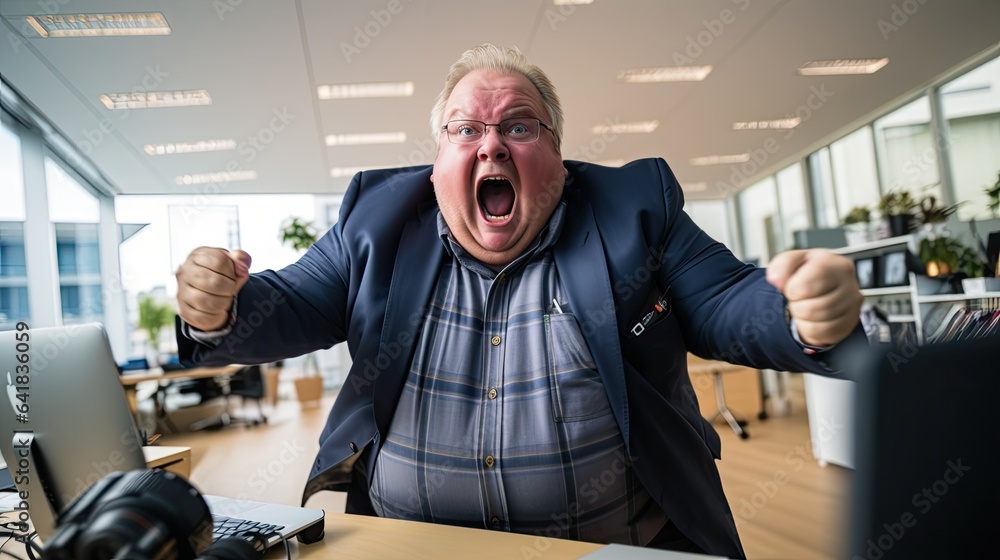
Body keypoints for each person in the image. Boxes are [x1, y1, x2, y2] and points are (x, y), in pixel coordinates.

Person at [175, 44, 864, 558]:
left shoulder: (633, 213)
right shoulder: (376, 225)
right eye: (465, 130)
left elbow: (726, 301)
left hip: (616, 548)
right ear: (437, 161)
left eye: (520, 126)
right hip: (412, 549)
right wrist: (218, 307)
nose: (491, 145)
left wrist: (798, 313)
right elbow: (286, 303)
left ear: (559, 158)